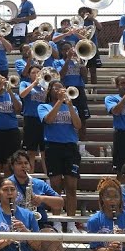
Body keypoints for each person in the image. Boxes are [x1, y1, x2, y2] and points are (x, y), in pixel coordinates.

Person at [40, 81, 83, 229]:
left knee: (71, 186)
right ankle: (57, 222)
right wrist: (59, 101)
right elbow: (49, 120)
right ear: (50, 91)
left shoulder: (72, 106)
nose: (59, 89)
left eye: (61, 87)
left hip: (70, 147)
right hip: (53, 147)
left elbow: (78, 125)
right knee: (56, 186)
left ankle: (71, 223)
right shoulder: (44, 106)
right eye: (56, 87)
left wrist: (70, 105)